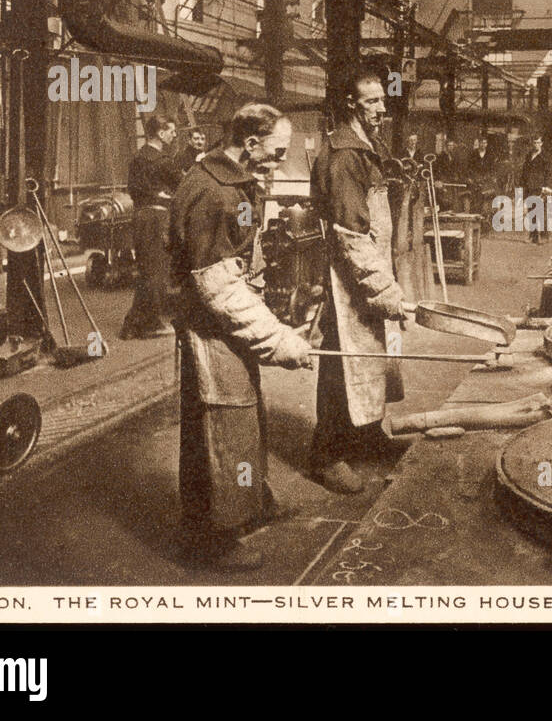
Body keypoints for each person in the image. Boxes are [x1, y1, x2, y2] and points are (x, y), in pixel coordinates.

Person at [169, 103, 313, 571]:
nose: (279, 161)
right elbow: (219, 289)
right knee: (219, 425)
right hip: (209, 326)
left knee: (244, 413)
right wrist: (280, 341)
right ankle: (208, 538)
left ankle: (247, 505)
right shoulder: (210, 192)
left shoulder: (235, 179)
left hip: (226, 322)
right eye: (276, 152)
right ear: (249, 144)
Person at [309, 67, 408, 495]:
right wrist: (384, 291)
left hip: (370, 271)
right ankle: (326, 455)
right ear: (351, 104)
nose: (381, 109)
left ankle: (365, 435)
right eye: (371, 102)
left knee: (371, 359)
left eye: (383, 101)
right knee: (341, 361)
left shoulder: (366, 145)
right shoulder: (345, 155)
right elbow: (350, 237)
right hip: (348, 279)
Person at [120, 114, 181, 339]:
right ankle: (150, 324)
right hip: (157, 220)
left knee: (147, 270)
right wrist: (165, 198)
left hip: (140, 218)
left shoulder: (137, 158)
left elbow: (133, 190)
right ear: (161, 133)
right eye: (172, 131)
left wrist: (156, 194)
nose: (174, 135)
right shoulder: (163, 161)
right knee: (158, 273)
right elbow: (183, 186)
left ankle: (134, 324)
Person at [519, 135, 551, 244]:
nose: (536, 145)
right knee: (531, 212)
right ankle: (533, 236)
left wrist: (547, 187)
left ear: (541, 143)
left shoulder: (545, 157)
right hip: (529, 187)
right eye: (534, 143)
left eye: (538, 142)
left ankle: (543, 236)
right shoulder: (529, 156)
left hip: (540, 187)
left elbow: (549, 173)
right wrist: (522, 184)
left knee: (541, 212)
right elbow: (525, 171)